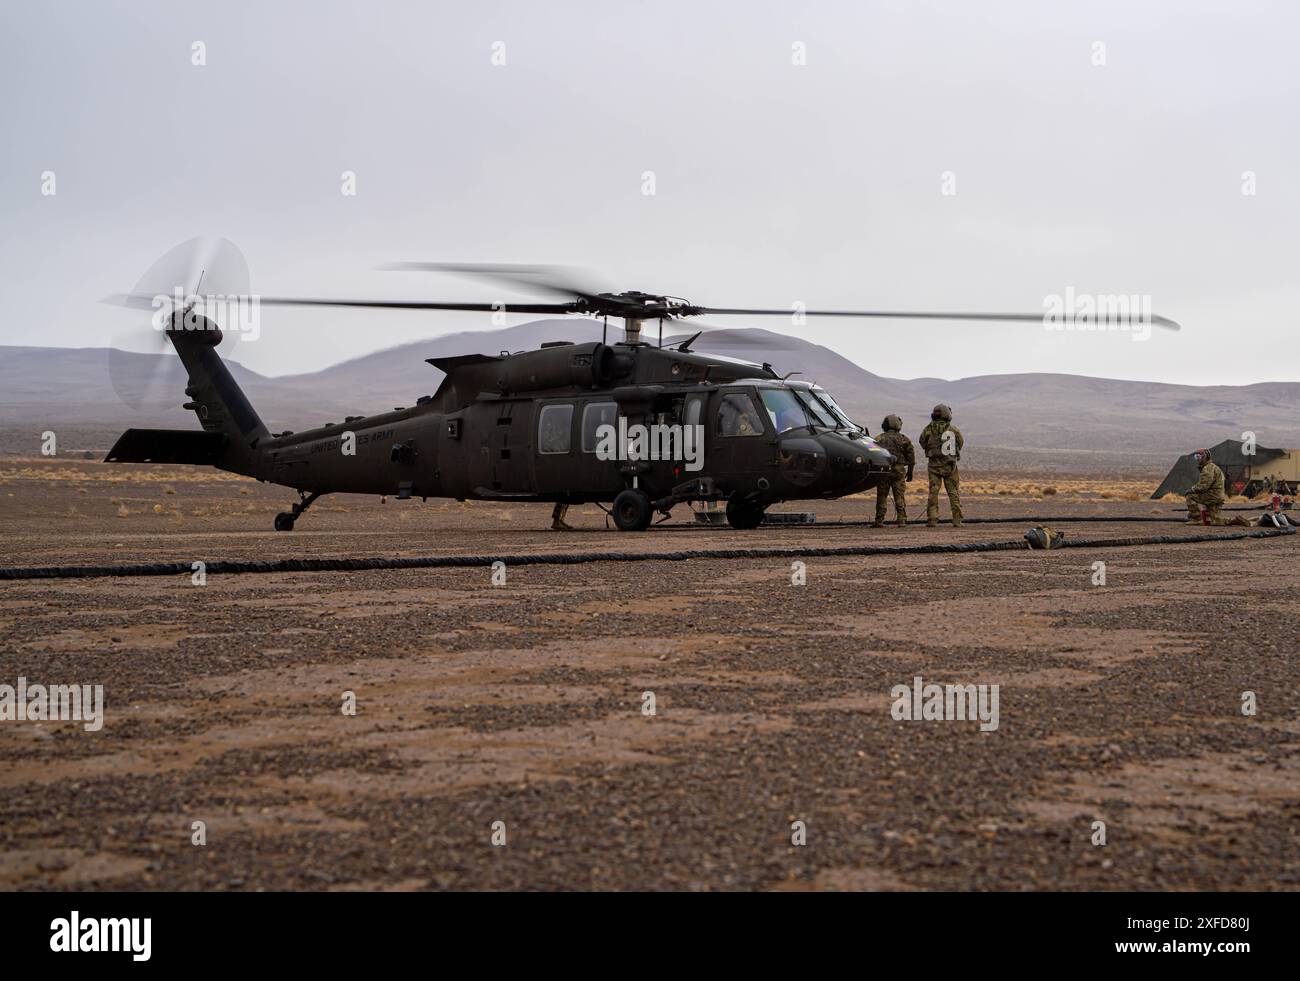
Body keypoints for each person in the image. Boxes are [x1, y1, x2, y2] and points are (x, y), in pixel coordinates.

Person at [918, 403, 963, 528]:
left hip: (934, 466)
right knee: (953, 492)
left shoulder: (928, 429)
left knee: (933, 493)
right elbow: (960, 441)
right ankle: (957, 520)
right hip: (950, 465)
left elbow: (922, 441)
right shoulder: (953, 429)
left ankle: (932, 519)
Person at [872, 414, 914, 527]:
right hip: (899, 471)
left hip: (884, 471)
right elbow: (911, 458)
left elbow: (872, 453)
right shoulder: (904, 439)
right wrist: (910, 472)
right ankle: (902, 520)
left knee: (882, 497)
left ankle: (879, 521)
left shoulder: (879, 438)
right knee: (899, 496)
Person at [1185, 448, 1226, 524]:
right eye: (1196, 457)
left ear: (1205, 457)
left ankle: (1197, 518)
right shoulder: (1213, 467)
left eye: (1199, 457)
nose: (1197, 459)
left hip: (1212, 496)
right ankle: (1236, 521)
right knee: (1215, 521)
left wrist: (1192, 489)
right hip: (1218, 497)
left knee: (1190, 496)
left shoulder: (1207, 468)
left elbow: (1203, 486)